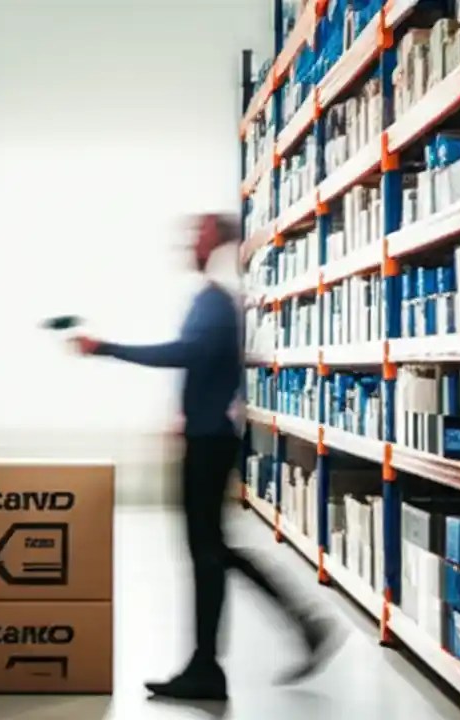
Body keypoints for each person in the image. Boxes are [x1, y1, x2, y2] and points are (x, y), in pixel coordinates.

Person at [71, 214, 341, 701]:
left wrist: (105, 347)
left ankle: (213, 665)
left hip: (211, 442)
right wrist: (188, 411)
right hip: (207, 434)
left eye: (199, 233)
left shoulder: (216, 301)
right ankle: (293, 629)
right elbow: (207, 367)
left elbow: (185, 353)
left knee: (207, 551)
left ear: (216, 241)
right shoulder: (214, 299)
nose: (189, 242)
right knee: (213, 549)